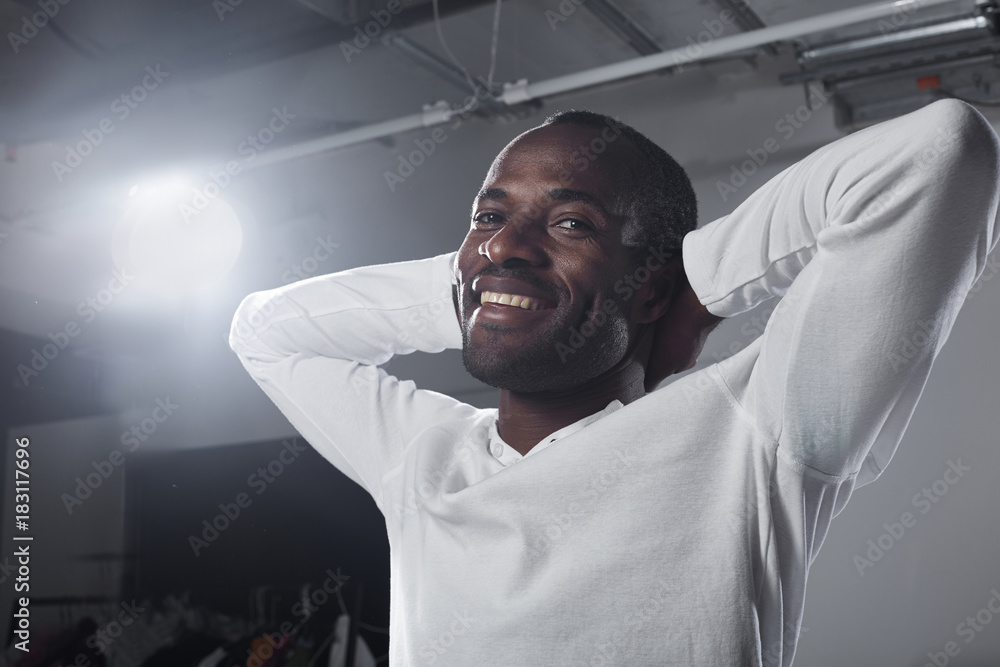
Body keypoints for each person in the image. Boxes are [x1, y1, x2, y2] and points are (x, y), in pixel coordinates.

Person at [229, 98, 1000, 666]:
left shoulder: (755, 429)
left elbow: (941, 152)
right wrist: (476, 282)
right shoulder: (421, 455)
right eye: (489, 216)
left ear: (650, 287)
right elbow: (264, 330)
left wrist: (698, 289)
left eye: (572, 223)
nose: (505, 243)